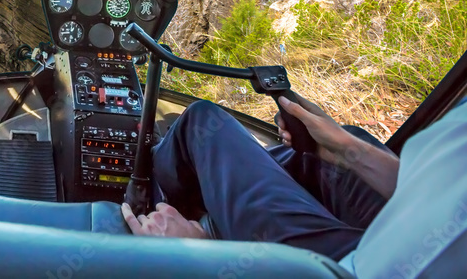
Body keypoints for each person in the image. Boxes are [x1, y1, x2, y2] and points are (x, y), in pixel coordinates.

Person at [121, 93, 467, 277]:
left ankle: (161, 204)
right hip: (415, 218)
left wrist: (199, 256)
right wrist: (347, 150)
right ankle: (223, 205)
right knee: (331, 149)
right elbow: (439, 185)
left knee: (201, 121)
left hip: (352, 267)